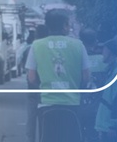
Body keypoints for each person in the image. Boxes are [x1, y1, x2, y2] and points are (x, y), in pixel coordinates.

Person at [26, 9, 91, 138]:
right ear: (65, 25)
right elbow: (86, 77)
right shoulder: (78, 45)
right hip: (73, 104)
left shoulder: (36, 45)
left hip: (47, 104)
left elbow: (31, 78)